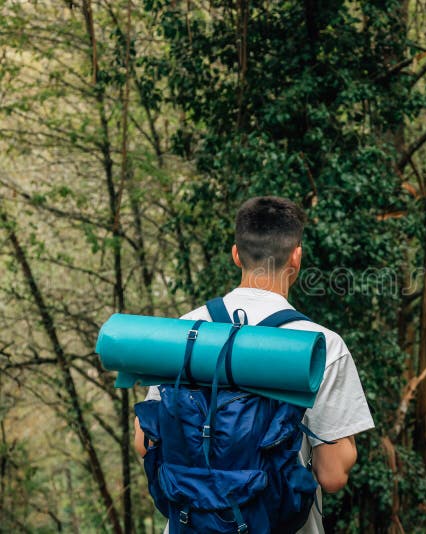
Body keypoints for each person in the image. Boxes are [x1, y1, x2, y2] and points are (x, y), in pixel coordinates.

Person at [133, 196, 375, 533]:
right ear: (296, 256)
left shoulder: (184, 332)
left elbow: (144, 443)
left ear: (235, 254)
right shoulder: (321, 345)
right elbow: (332, 476)